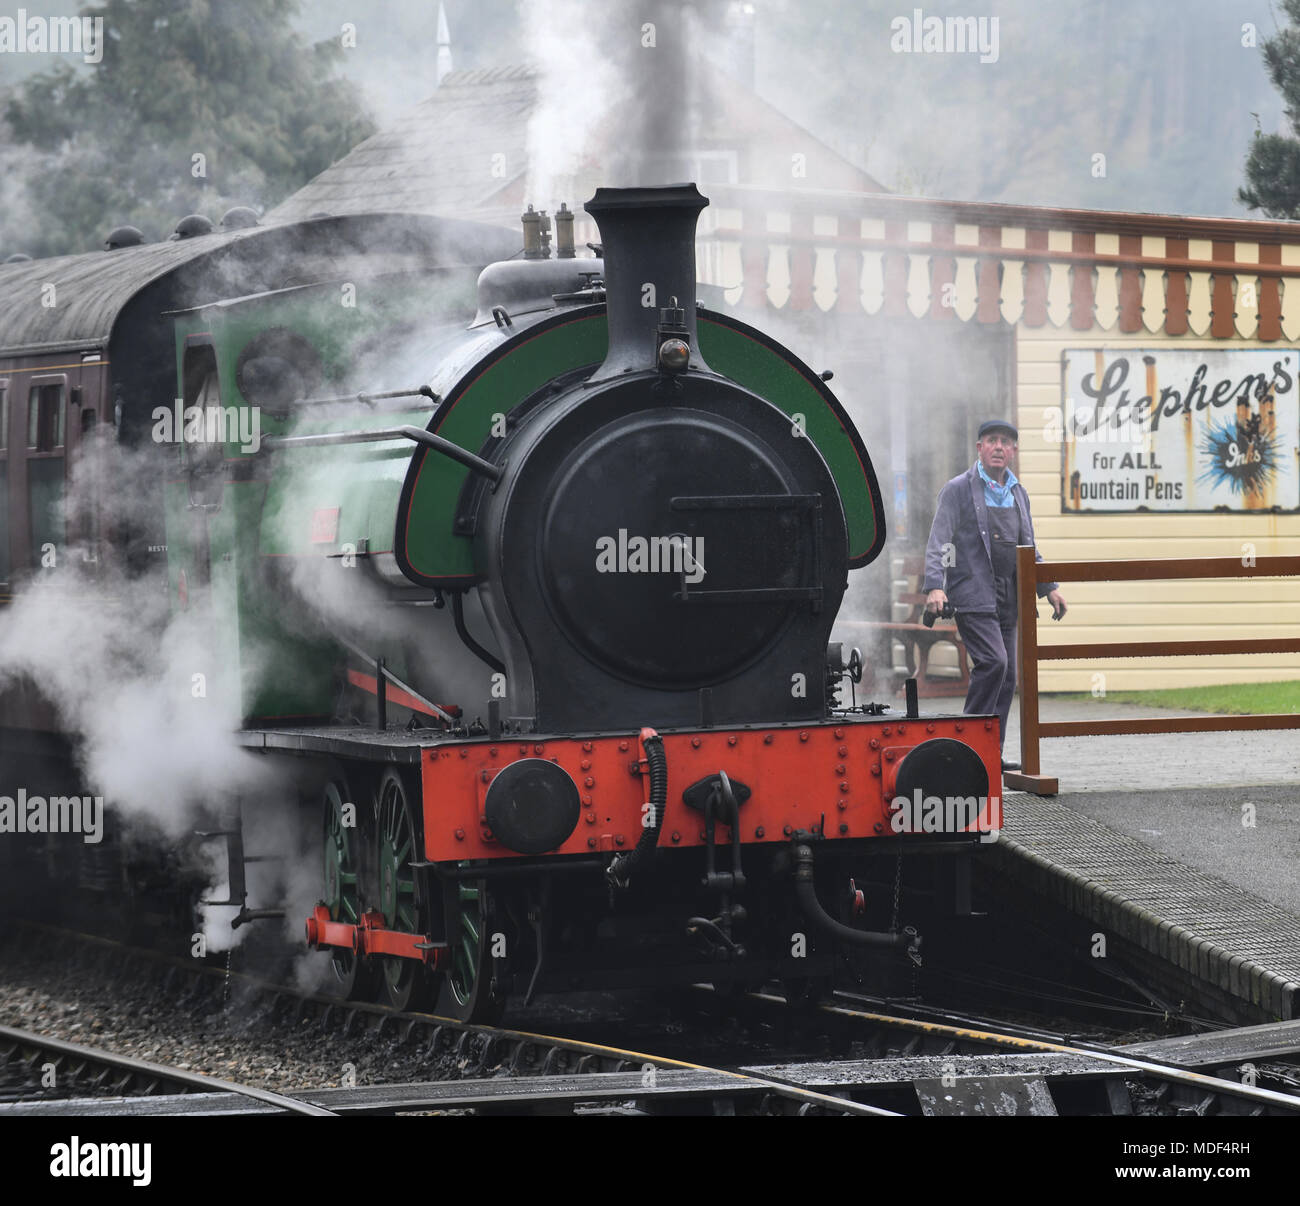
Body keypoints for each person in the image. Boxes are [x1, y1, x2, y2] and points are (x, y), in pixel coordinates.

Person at [922, 420, 1066, 771]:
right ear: (979, 448)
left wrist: (1049, 587)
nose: (999, 447)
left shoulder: (1018, 492)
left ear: (1014, 451)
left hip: (1009, 595)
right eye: (992, 441)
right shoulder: (957, 489)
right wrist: (935, 585)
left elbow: (1028, 545)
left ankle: (990, 754)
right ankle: (966, 749)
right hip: (973, 593)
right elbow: (940, 540)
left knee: (1008, 676)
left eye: (1006, 442)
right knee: (994, 663)